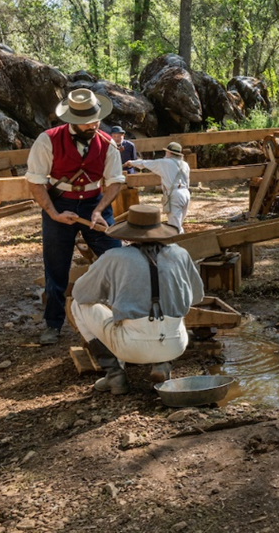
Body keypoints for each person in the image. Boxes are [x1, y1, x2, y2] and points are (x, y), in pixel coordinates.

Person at [25, 88, 125, 345]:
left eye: (96, 119)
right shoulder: (47, 140)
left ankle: (123, 316)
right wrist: (54, 214)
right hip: (60, 203)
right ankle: (53, 324)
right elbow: (36, 182)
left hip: (95, 204)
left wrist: (99, 210)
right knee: (56, 268)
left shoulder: (107, 144)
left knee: (116, 258)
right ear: (72, 121)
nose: (95, 124)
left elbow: (115, 182)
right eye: (87, 122)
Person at [70, 205, 205, 395]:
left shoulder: (114, 256)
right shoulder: (180, 254)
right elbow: (197, 296)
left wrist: (113, 295)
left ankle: (114, 374)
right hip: (176, 344)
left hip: (131, 346)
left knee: (78, 305)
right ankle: (163, 364)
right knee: (174, 311)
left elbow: (80, 293)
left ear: (127, 234)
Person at [124, 142, 191, 233]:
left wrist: (131, 163)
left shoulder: (165, 163)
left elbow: (146, 163)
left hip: (175, 194)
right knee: (179, 223)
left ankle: (175, 243)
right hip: (186, 193)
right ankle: (181, 240)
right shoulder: (185, 164)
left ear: (169, 153)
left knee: (174, 225)